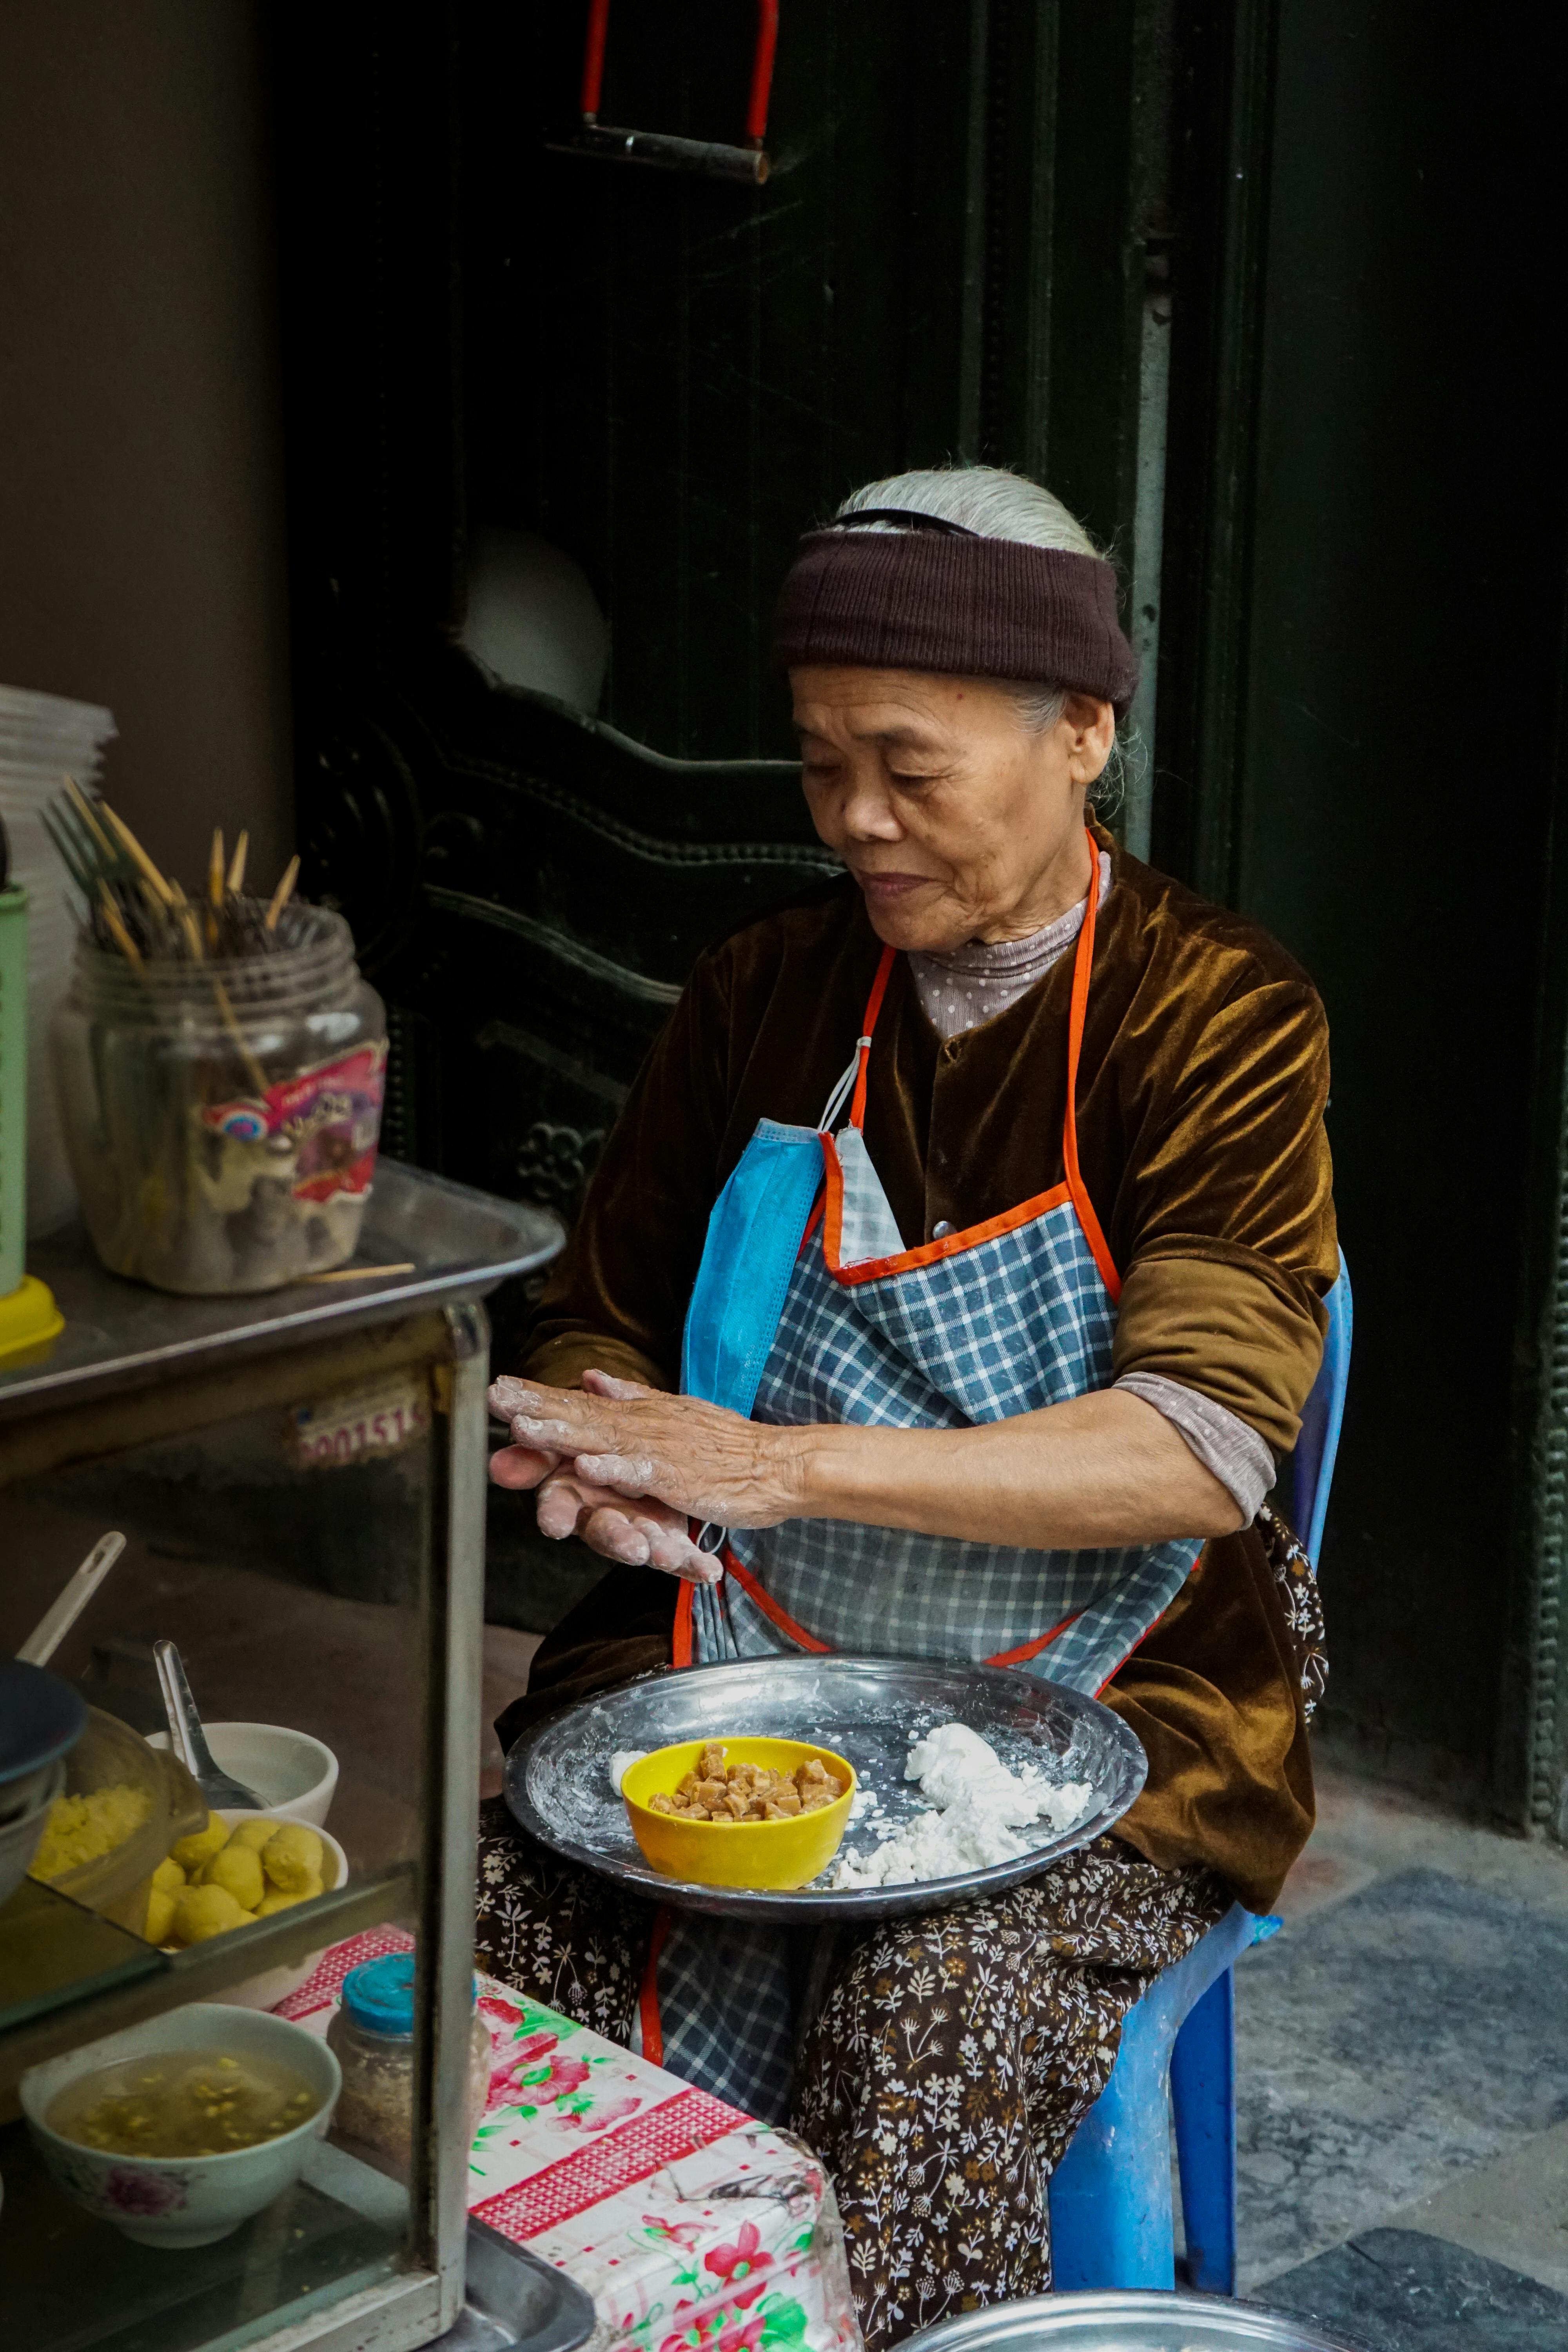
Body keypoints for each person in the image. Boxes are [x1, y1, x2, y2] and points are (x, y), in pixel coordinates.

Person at [479, 465, 1336, 2349]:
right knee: (499, 1957)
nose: (854, 820)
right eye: (814, 766)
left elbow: (1195, 1450)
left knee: (923, 2021)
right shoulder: (763, 991)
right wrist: (612, 1456)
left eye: (909, 765)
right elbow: (590, 1328)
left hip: (1116, 1694)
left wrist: (775, 1464)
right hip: (744, 1648)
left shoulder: (1215, 1016)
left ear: (1081, 735)